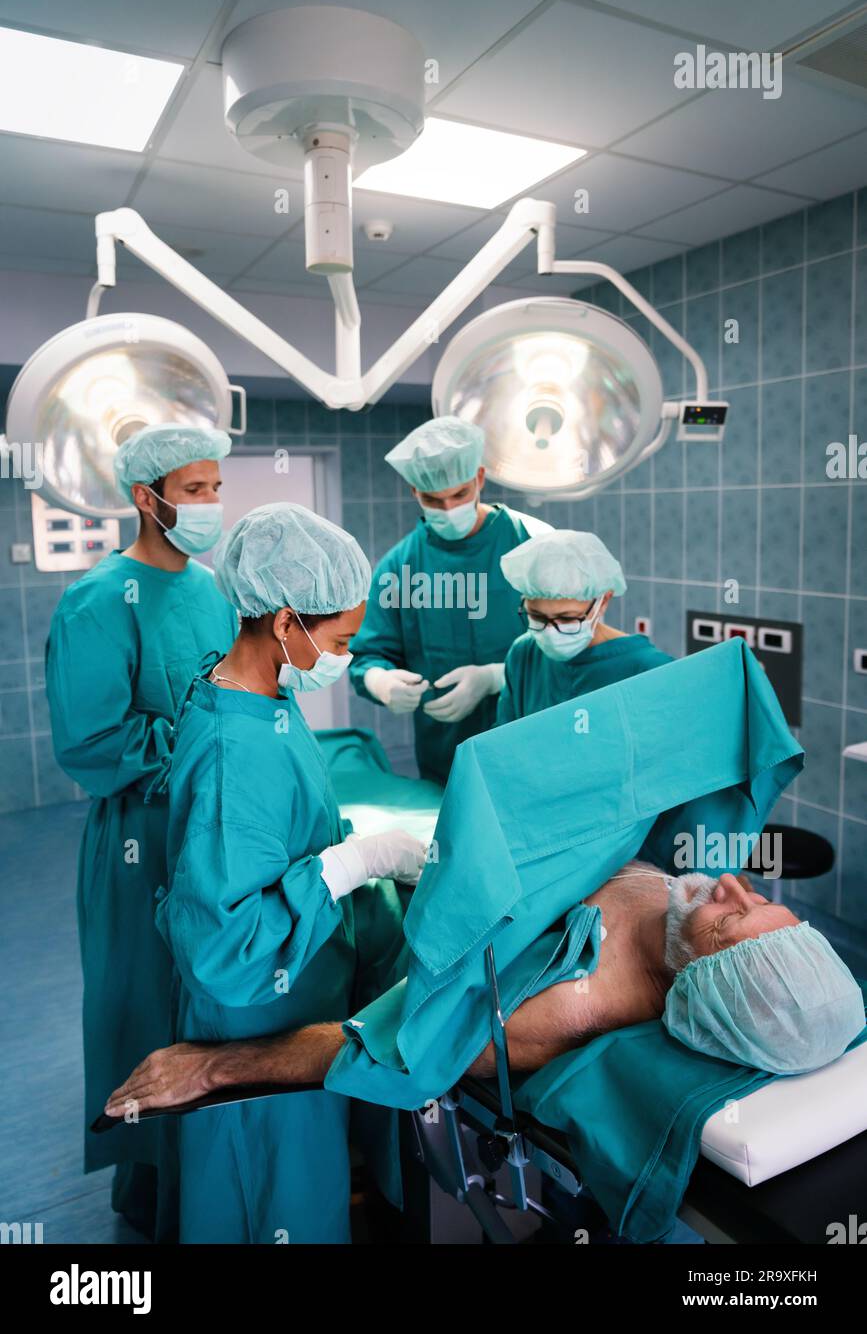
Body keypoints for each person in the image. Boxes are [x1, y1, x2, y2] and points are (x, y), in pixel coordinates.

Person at [152, 503, 427, 1244]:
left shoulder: (262, 696)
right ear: (283, 622)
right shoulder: (230, 753)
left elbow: (282, 837)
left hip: (297, 995)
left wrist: (348, 859)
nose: (346, 653)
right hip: (252, 1014)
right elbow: (223, 949)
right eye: (339, 639)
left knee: (302, 1182)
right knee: (266, 1199)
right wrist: (351, 862)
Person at [106, 865, 866, 1114]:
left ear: (699, 985)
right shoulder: (684, 915)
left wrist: (214, 1066)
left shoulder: (568, 1003)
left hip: (408, 935)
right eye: (764, 901)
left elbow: (399, 1045)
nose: (732, 884)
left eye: (731, 919)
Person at [45, 422, 238, 1241]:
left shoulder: (210, 587)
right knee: (141, 999)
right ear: (145, 497)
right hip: (139, 834)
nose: (209, 506)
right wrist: (201, 738)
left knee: (209, 993)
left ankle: (212, 1168)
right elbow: (90, 746)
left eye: (214, 489)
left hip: (212, 820)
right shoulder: (96, 600)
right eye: (194, 491)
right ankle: (151, 1186)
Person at [350, 415, 550, 782]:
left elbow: (570, 643)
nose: (447, 509)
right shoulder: (399, 566)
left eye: (459, 495)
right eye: (433, 499)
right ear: (414, 492)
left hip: (530, 742)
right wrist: (382, 681)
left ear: (479, 478)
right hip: (444, 755)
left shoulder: (533, 543)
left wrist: (496, 677)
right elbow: (367, 655)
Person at [496, 529, 672, 724]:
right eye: (537, 616)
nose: (550, 631)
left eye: (567, 618)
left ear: (603, 601)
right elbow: (503, 743)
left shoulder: (650, 669)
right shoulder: (524, 654)